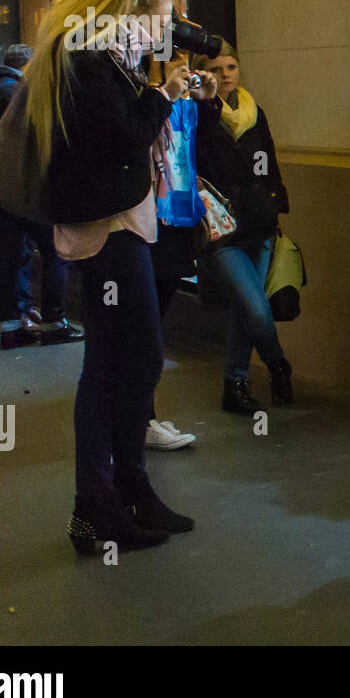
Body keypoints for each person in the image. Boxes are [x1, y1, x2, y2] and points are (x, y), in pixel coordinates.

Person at [29, 0, 194, 554]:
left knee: (132, 359)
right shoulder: (88, 60)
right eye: (163, 15)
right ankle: (94, 507)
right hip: (106, 230)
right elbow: (122, 137)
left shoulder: (106, 58)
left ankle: (128, 489)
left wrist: (158, 90)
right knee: (115, 364)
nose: (167, 27)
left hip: (121, 223)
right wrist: (164, 92)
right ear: (131, 10)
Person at [192, 40, 292, 414]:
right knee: (254, 308)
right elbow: (194, 153)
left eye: (230, 68)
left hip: (258, 220)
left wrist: (275, 202)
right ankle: (278, 364)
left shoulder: (252, 111)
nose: (225, 76)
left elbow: (269, 158)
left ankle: (235, 383)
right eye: (215, 70)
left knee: (244, 308)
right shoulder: (197, 112)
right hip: (219, 226)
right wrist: (206, 102)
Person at [0, 44, 84, 349]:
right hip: (30, 192)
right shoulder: (25, 95)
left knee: (8, 256)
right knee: (54, 254)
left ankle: (11, 325)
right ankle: (53, 322)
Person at [143, 49, 219, 450]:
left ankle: (142, 416)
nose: (183, 70)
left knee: (153, 325)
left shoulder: (182, 106)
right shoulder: (141, 98)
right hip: (142, 227)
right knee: (142, 330)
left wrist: (204, 103)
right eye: (173, 63)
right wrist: (163, 95)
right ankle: (139, 419)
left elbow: (197, 153)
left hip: (174, 226)